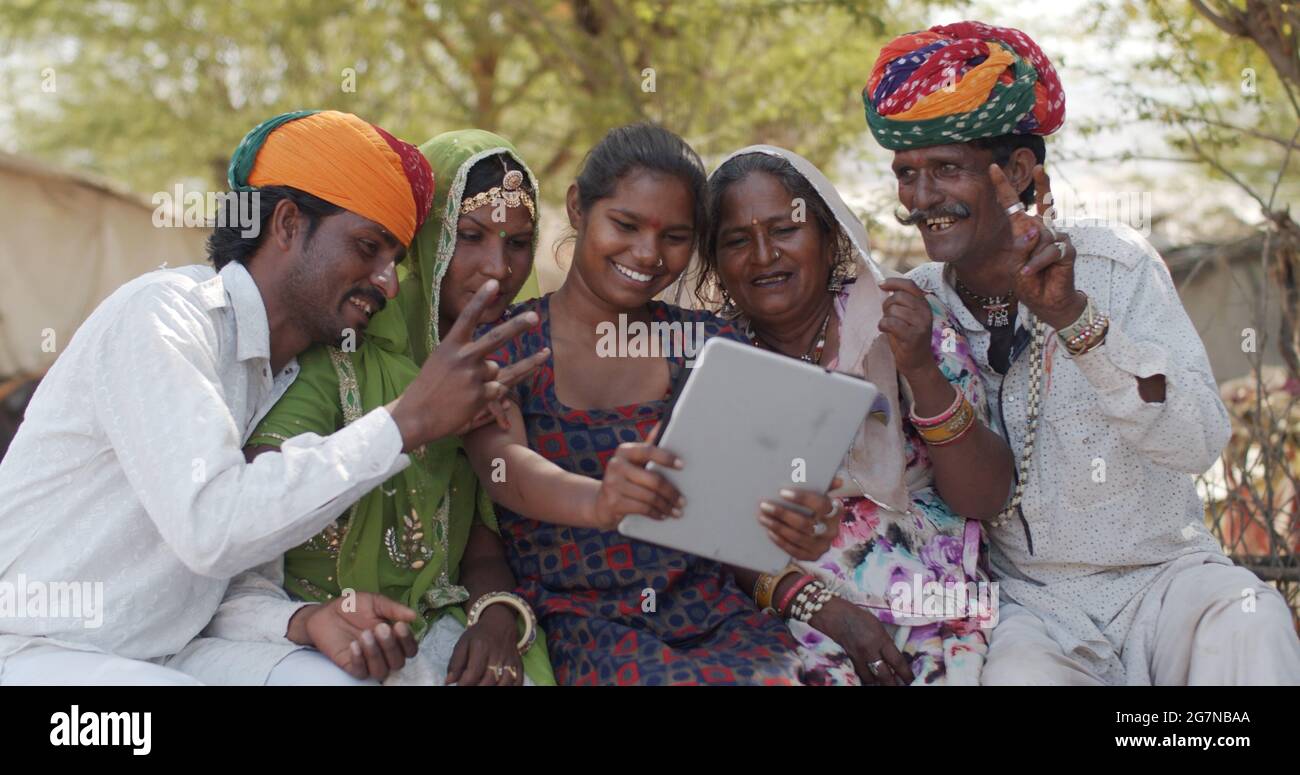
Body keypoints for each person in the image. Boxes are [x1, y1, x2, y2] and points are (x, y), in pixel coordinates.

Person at [0, 111, 540, 685]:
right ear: (286, 224)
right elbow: (212, 527)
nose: (387, 281)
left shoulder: (275, 372)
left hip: (173, 651)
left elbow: (232, 579)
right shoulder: (164, 318)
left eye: (394, 260)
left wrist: (306, 622)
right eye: (367, 246)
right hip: (39, 647)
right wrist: (405, 423)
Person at [865, 20, 1300, 684]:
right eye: (907, 174)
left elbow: (1199, 439)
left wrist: (1074, 319)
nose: (922, 200)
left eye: (945, 170)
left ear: (1016, 171)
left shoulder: (1114, 264)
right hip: (1035, 607)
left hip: (1167, 577)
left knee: (1252, 617)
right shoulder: (918, 307)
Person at [170, 130, 556, 686]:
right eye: (468, 235)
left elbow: (475, 526)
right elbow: (249, 506)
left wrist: (496, 612)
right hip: (300, 624)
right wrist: (412, 419)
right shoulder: (341, 341)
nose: (498, 267)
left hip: (432, 616)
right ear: (429, 242)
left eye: (518, 243)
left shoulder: (498, 363)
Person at [464, 124, 845, 685]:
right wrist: (601, 500)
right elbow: (506, 469)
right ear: (577, 208)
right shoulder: (508, 341)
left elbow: (751, 499)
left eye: (674, 236)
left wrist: (804, 527)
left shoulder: (711, 347)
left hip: (717, 617)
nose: (647, 253)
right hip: (583, 623)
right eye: (625, 224)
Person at [697, 145, 1013, 685]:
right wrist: (827, 611)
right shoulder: (714, 358)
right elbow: (713, 532)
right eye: (736, 240)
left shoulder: (901, 320)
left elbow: (986, 497)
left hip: (932, 601)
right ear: (716, 263)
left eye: (785, 230)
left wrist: (918, 367)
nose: (763, 254)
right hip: (785, 608)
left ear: (828, 236)